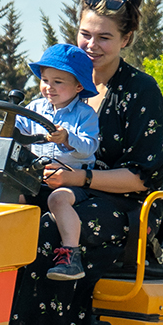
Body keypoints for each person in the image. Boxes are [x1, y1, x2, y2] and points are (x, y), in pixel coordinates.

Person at [11, 0, 163, 325]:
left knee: (51, 228)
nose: (91, 46)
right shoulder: (57, 87)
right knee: (3, 219)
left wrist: (81, 176)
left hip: (119, 203)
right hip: (59, 189)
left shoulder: (139, 92)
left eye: (105, 37)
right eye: (85, 34)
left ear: (127, 38)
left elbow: (142, 176)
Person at [18, 43, 100, 281]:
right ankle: (2, 246)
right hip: (37, 178)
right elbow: (17, 128)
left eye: (58, 82)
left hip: (72, 181)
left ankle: (70, 256)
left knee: (58, 199)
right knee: (10, 194)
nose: (48, 87)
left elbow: (89, 145)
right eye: (45, 80)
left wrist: (67, 138)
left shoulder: (85, 115)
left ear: (78, 86)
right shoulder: (35, 108)